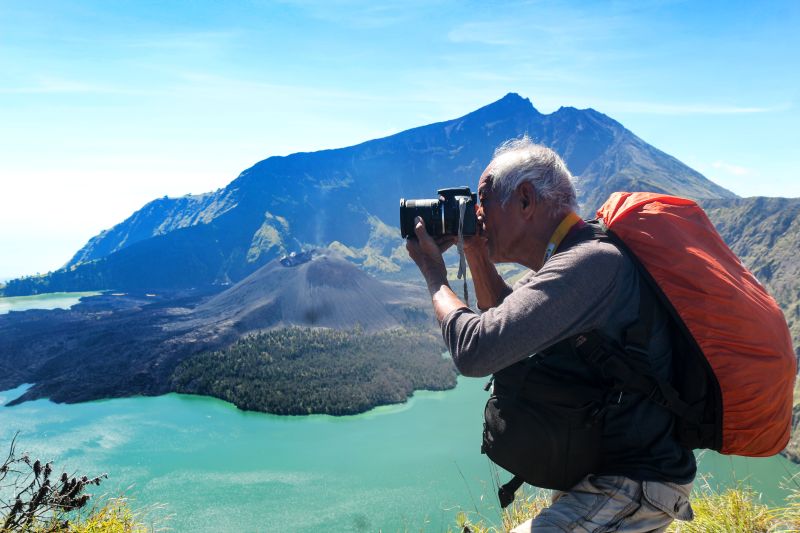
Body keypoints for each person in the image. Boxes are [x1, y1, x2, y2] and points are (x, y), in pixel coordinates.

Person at [405, 136, 695, 532]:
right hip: (609, 478)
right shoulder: (574, 258)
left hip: (635, 483)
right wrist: (474, 249)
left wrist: (434, 275)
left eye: (483, 201)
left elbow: (476, 350)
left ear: (525, 200)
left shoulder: (591, 264)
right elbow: (510, 332)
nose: (477, 214)